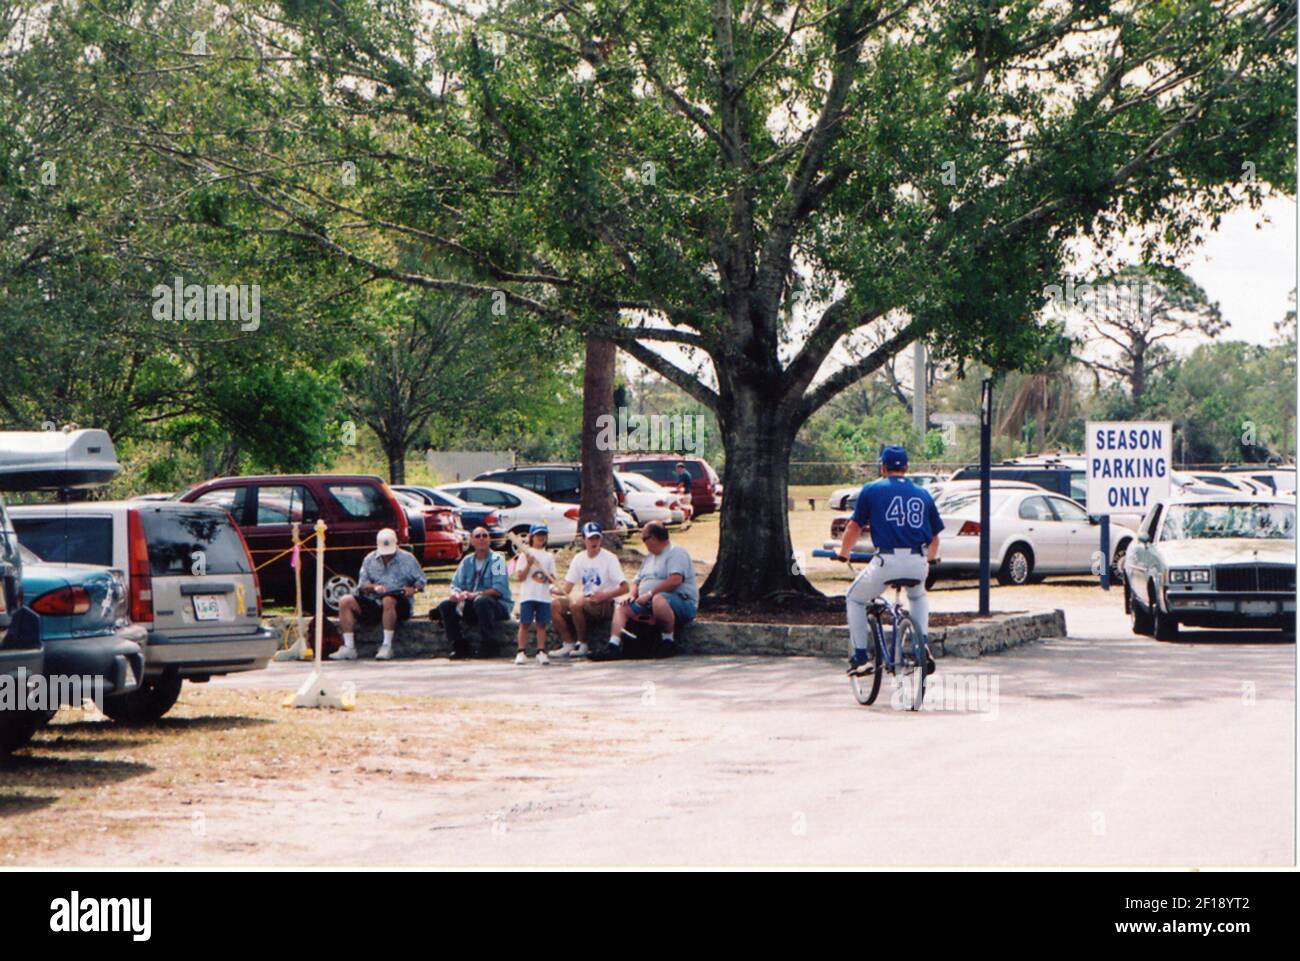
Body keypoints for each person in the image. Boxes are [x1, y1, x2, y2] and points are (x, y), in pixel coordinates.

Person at [838, 445, 943, 674]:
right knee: (917, 594)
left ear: (883, 467)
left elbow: (854, 526)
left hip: (886, 560)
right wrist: (932, 559)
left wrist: (843, 553)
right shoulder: (923, 493)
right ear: (906, 468)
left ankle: (860, 656)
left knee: (854, 598)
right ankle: (921, 643)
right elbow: (935, 537)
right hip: (917, 559)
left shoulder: (872, 489)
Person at [596, 521, 696, 660]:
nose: (643, 542)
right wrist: (631, 595)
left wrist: (649, 594)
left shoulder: (676, 552)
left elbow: (675, 580)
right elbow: (637, 580)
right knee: (622, 606)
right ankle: (613, 645)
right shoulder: (650, 557)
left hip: (681, 602)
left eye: (644, 539)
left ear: (653, 538)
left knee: (658, 599)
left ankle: (668, 642)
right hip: (648, 603)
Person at [330, 528, 426, 661]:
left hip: (398, 602)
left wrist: (413, 589)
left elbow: (421, 581)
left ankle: (386, 645)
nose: (386, 556)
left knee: (388, 599)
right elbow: (362, 585)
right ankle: (349, 647)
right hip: (374, 601)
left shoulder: (408, 559)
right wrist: (374, 587)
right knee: (345, 601)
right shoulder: (369, 559)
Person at [550, 521, 629, 658]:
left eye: (597, 537)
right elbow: (567, 589)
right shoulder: (578, 558)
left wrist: (604, 596)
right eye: (590, 538)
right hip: (588, 601)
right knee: (554, 605)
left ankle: (583, 644)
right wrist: (550, 588)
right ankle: (568, 642)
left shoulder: (610, 558)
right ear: (583, 539)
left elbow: (625, 588)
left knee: (576, 603)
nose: (594, 541)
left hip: (606, 603)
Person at [436, 527, 512, 659]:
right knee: (445, 605)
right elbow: (455, 584)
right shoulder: (467, 561)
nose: (482, 538)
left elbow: (498, 590)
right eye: (478, 536)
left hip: (496, 606)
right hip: (472, 605)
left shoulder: (497, 559)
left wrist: (474, 595)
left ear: (489, 540)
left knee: (481, 601)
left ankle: (489, 645)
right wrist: (457, 594)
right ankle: (458, 646)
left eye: (485, 536)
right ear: (472, 541)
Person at [510, 523, 558, 665]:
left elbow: (552, 578)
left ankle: (541, 651)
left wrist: (546, 577)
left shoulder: (549, 556)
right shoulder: (525, 555)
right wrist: (529, 564)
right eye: (538, 535)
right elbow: (521, 577)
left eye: (543, 535)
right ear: (532, 537)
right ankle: (521, 651)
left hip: (543, 596)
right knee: (524, 623)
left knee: (541, 625)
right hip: (528, 595)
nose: (541, 538)